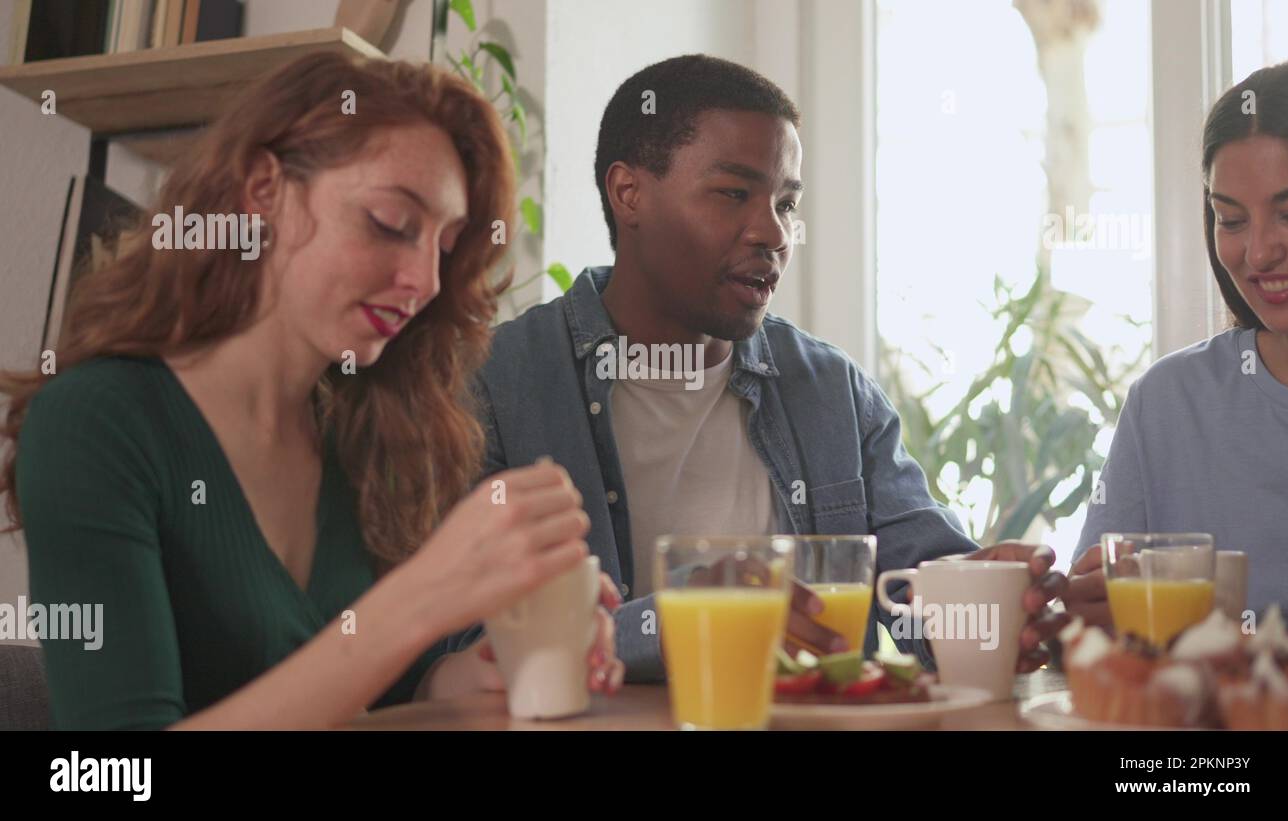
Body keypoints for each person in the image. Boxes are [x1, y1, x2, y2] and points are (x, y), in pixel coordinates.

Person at [0, 52, 622, 729]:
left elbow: (367, 689)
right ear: (263, 190)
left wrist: (474, 674)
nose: (425, 280)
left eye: (444, 246)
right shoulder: (96, 423)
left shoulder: (358, 429)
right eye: (390, 221)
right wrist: (420, 599)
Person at [435, 54, 1068, 682]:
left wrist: (986, 609)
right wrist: (685, 622)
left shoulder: (833, 391)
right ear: (629, 194)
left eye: (786, 204)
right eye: (734, 194)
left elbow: (918, 595)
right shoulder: (495, 385)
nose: (774, 234)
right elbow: (456, 648)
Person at [1067, 57, 1288, 637]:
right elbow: (1096, 633)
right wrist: (1091, 617)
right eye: (1231, 219)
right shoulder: (1168, 403)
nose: (1259, 253)